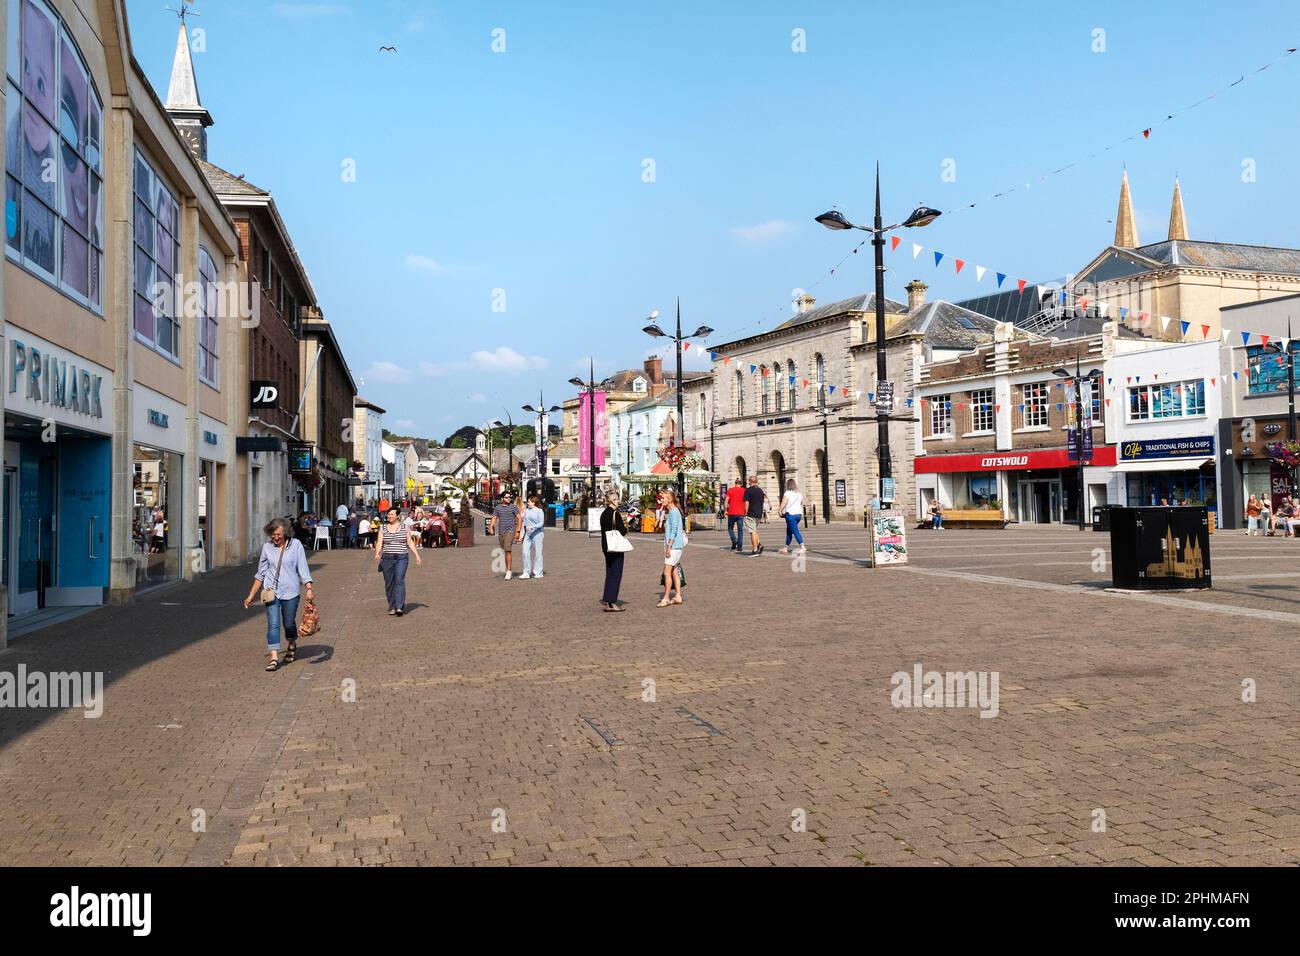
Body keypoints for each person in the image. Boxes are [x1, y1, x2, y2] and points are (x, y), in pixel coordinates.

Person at [243, 518, 313, 671]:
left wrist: (308, 587)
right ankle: (274, 657)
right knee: (273, 624)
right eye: (273, 534)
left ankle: (292, 643)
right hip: (272, 592)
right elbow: (260, 574)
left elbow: (302, 567)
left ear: (285, 533)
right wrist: (250, 596)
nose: (275, 537)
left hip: (291, 591)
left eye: (278, 535)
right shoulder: (267, 548)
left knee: (288, 623)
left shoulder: (296, 546)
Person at [374, 505, 421, 616]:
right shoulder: (383, 528)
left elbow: (409, 542)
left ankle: (399, 607)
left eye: (392, 514)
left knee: (399, 581)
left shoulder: (404, 527)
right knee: (389, 583)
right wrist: (377, 553)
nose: (389, 516)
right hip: (387, 558)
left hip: (401, 557)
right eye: (388, 514)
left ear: (397, 516)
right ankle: (392, 606)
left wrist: (417, 555)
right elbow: (380, 542)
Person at [657, 487, 687, 607]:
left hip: (674, 546)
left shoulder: (674, 512)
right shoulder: (672, 511)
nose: (661, 500)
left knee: (667, 572)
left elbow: (674, 530)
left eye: (663, 498)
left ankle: (665, 598)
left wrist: (668, 547)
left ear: (669, 498)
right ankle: (678, 595)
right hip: (675, 546)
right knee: (674, 571)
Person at [600, 490, 628, 612]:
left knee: (609, 573)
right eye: (616, 499)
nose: (618, 501)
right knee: (616, 574)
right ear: (611, 501)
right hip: (615, 547)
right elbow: (622, 531)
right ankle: (611, 602)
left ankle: (607, 598)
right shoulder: (615, 514)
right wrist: (626, 523)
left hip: (606, 547)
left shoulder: (604, 513)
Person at [489, 490, 523, 579]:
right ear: (502, 498)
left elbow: (519, 519)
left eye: (509, 497)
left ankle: (508, 571)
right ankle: (508, 569)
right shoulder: (498, 508)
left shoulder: (513, 507)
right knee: (505, 550)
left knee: (508, 549)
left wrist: (518, 531)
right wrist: (491, 527)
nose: (509, 499)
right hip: (501, 532)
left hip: (510, 531)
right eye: (506, 497)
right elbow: (494, 517)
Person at [520, 494, 546, 579]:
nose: (527, 503)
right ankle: (526, 572)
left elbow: (541, 523)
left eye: (529, 502)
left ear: (534, 503)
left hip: (537, 534)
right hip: (527, 535)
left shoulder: (539, 511)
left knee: (538, 553)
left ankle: (538, 572)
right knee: (525, 552)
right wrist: (521, 535)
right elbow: (524, 522)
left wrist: (533, 527)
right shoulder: (527, 510)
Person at [778, 479, 806, 554]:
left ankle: (802, 547)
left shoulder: (787, 493)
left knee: (795, 531)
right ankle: (785, 548)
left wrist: (780, 510)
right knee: (789, 531)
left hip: (790, 515)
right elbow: (800, 503)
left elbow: (784, 502)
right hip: (798, 515)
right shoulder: (799, 493)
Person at [743, 476, 765, 555]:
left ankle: (755, 549)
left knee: (752, 532)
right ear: (756, 481)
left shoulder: (748, 491)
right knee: (754, 530)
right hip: (759, 513)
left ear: (749, 481)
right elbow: (762, 502)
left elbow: (746, 503)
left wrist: (745, 512)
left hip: (750, 513)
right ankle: (758, 544)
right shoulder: (760, 491)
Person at [725, 478, 746, 552]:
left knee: (730, 528)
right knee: (740, 530)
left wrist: (725, 510)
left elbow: (726, 501)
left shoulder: (730, 490)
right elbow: (746, 502)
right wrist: (746, 511)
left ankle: (734, 539)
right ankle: (740, 546)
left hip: (731, 512)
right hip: (740, 513)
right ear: (741, 484)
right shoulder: (744, 491)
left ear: (735, 483)